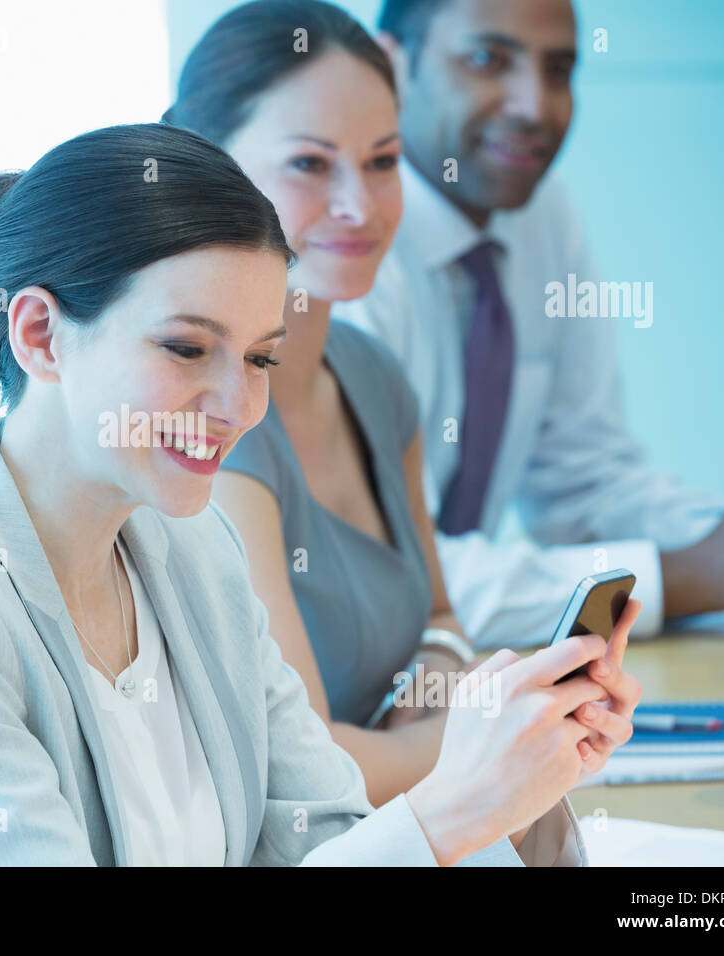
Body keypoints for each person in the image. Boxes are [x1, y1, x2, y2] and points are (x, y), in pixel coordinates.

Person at [0, 122, 641, 867]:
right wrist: (451, 807)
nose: (238, 406)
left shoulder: (196, 552)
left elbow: (323, 840)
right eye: (185, 348)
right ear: (40, 334)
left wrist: (514, 788)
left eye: (259, 359)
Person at [336, 0, 724, 647]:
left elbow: (585, 484)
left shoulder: (540, 213)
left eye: (559, 69)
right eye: (486, 60)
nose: (534, 105)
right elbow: (392, 577)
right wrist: (686, 574)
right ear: (391, 66)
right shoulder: (343, 249)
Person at [166, 0, 495, 804]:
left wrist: (437, 685)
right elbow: (309, 773)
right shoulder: (212, 421)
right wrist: (483, 729)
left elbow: (442, 618)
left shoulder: (375, 376)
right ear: (212, 165)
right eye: (311, 165)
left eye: (383, 161)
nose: (361, 206)